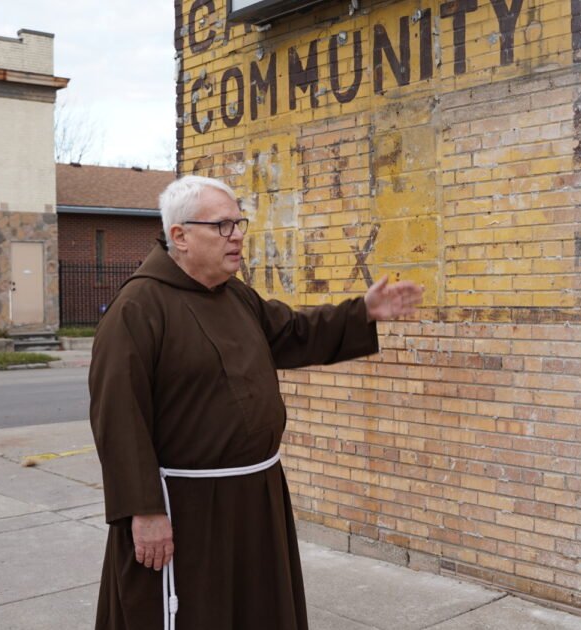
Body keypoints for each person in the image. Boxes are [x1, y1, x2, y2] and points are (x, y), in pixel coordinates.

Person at [88, 175, 423, 630]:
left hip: (254, 496)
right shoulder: (138, 309)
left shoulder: (236, 296)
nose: (238, 236)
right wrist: (143, 511)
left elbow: (292, 333)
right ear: (180, 236)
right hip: (187, 508)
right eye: (223, 226)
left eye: (239, 223)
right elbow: (119, 420)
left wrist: (360, 311)